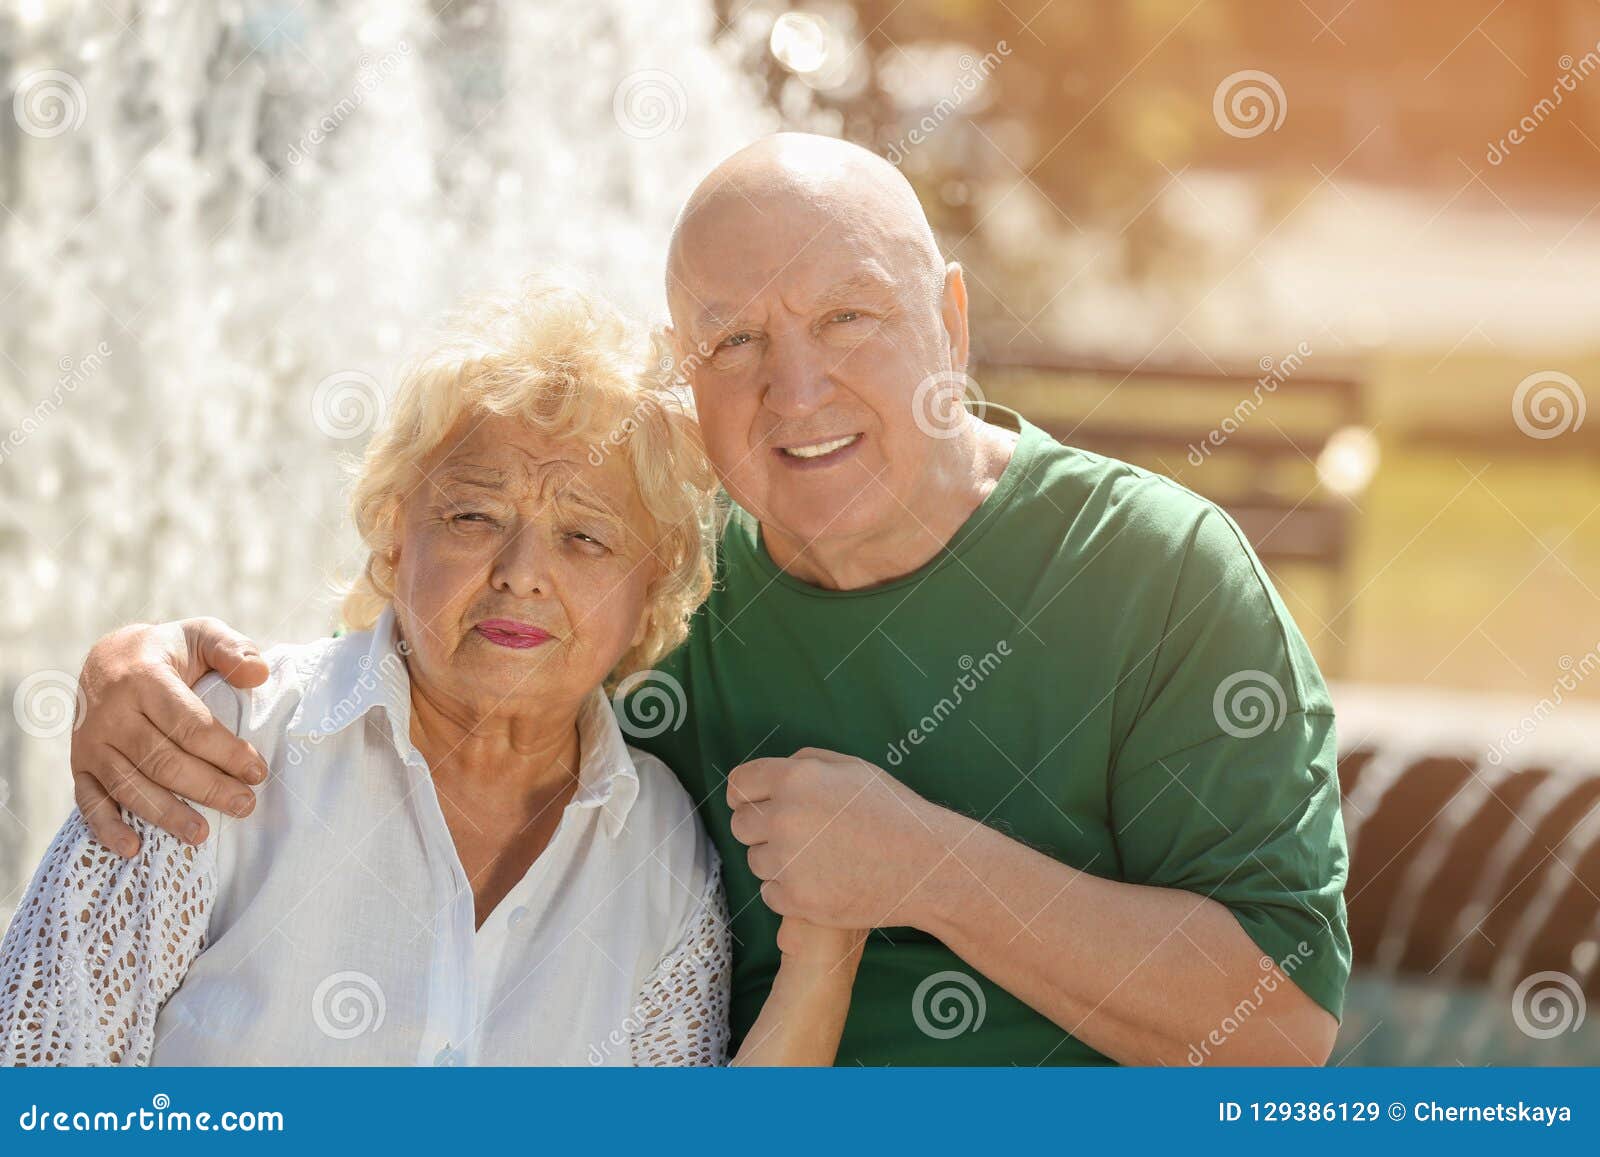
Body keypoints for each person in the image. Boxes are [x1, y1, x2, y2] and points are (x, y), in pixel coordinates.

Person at [60, 133, 1350, 1066]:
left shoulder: (1157, 572)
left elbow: (1279, 1034)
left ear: (950, 323)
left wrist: (930, 867)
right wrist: (146, 663)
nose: (795, 392)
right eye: (734, 339)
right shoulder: (657, 575)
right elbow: (424, 650)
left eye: (850, 317)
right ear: (689, 377)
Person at [0, 279, 863, 1066]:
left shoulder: (659, 847)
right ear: (392, 531)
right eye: (473, 514)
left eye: (584, 537)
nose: (522, 571)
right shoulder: (214, 744)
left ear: (653, 593)